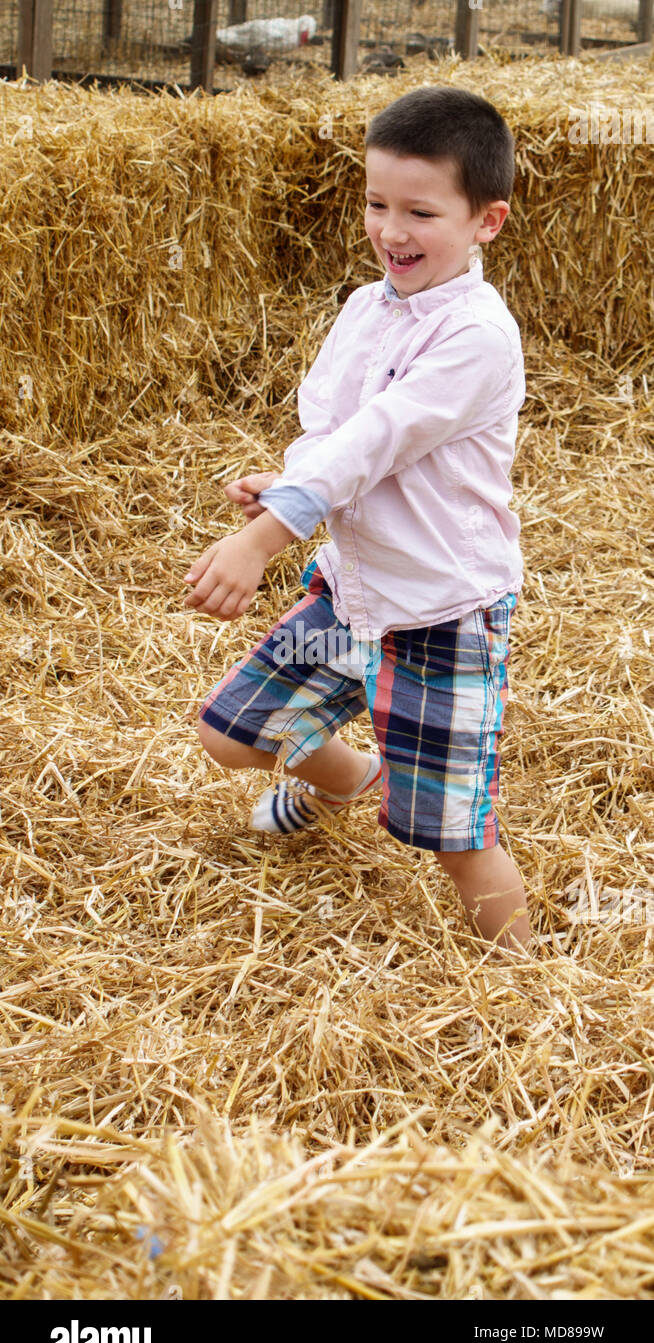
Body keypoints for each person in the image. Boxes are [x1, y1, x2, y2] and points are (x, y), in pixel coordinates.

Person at [183, 86, 530, 956]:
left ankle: (524, 987)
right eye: (377, 204)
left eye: (420, 211)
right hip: (356, 595)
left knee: (451, 831)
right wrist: (289, 484)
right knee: (236, 733)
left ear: (487, 221)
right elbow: (332, 435)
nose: (391, 230)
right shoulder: (367, 307)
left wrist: (267, 534)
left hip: (442, 611)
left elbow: (378, 439)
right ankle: (350, 783)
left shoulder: (478, 337)